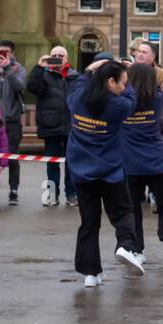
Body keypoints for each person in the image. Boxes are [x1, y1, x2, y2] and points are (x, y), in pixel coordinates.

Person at [67, 59, 143, 287]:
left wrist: (92, 68)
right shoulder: (118, 106)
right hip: (110, 170)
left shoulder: (77, 99)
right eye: (122, 82)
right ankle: (126, 246)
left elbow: (80, 82)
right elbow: (131, 99)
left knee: (89, 222)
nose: (124, 86)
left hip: (81, 170)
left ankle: (90, 274)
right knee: (122, 212)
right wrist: (127, 78)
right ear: (111, 82)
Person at [123, 63, 163, 257]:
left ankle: (137, 250)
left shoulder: (123, 102)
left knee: (134, 208)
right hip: (155, 160)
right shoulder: (158, 99)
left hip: (130, 162)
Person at [27, 45, 79, 205]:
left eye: (60, 55)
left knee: (72, 163)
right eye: (53, 55)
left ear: (66, 59)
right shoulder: (43, 75)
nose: (57, 57)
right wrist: (38, 67)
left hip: (72, 127)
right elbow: (32, 88)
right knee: (52, 162)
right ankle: (51, 194)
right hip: (51, 126)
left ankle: (71, 194)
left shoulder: (75, 76)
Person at [0, 40, 27, 205]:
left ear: (12, 53)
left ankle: (13, 190)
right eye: (0, 52)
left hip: (12, 119)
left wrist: (8, 69)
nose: (3, 55)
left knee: (12, 156)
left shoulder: (18, 69)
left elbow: (20, 87)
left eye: (7, 52)